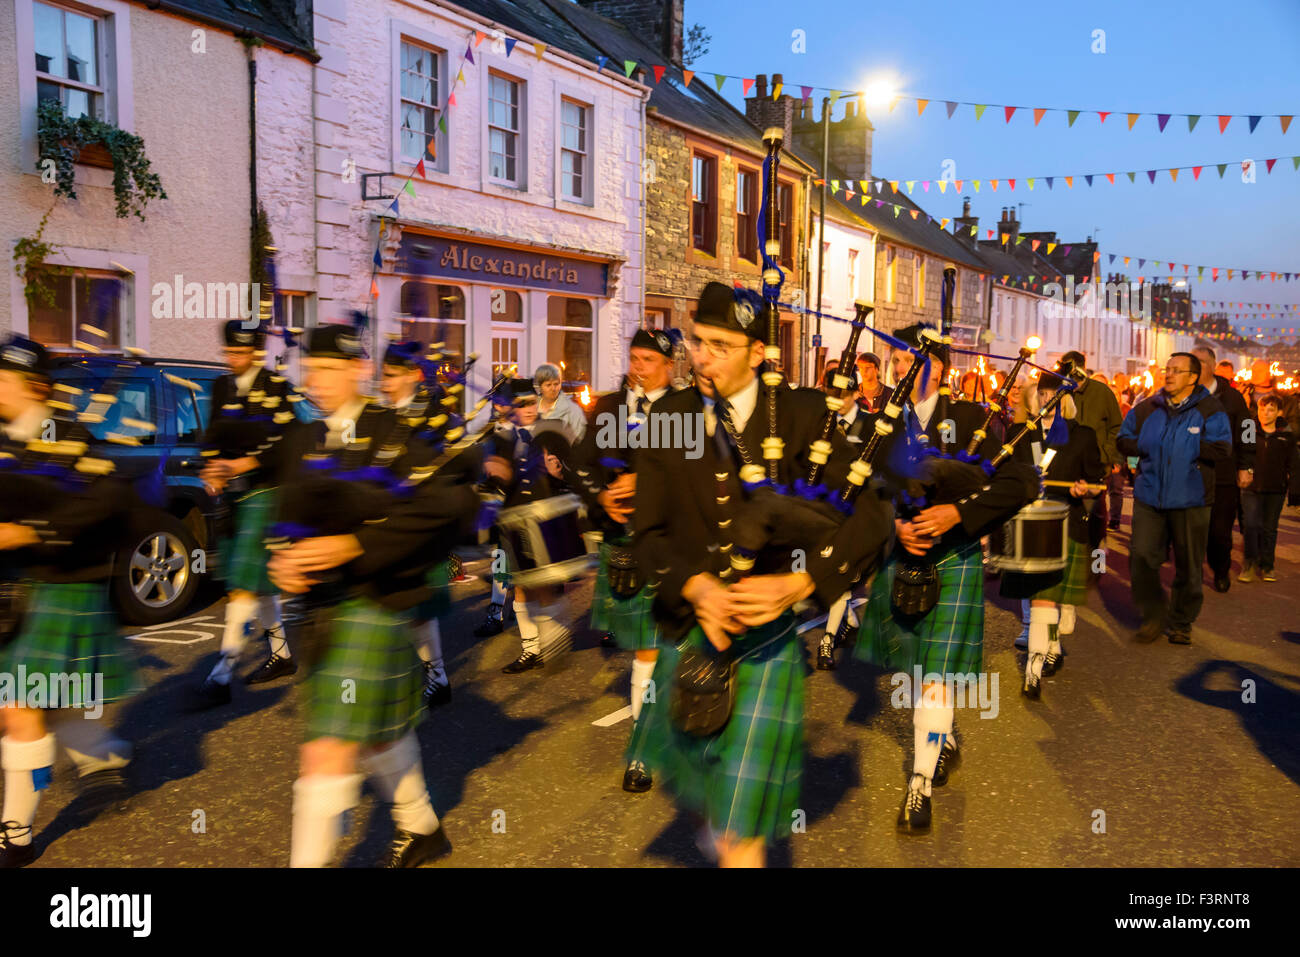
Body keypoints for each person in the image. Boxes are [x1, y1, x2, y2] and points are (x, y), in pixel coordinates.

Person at [631, 281, 893, 866]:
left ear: (757, 352)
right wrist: (695, 584)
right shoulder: (670, 416)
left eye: (721, 346)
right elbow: (646, 535)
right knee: (702, 801)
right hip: (687, 632)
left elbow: (872, 513)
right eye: (698, 341)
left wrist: (802, 583)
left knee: (739, 830)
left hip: (765, 644)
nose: (701, 357)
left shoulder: (802, 416)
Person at [269, 323, 476, 867]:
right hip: (322, 611)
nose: (317, 381)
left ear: (359, 370)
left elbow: (450, 509)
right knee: (377, 735)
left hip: (377, 602)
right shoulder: (304, 439)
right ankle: (424, 829)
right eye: (311, 370)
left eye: (331, 370)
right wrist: (283, 558)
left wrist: (354, 544)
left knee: (327, 750)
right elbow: (287, 518)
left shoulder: (398, 433)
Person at [854, 324, 1038, 833]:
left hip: (953, 555)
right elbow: (857, 487)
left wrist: (959, 513)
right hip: (900, 555)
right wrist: (890, 523)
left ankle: (919, 783)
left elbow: (1024, 479)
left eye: (910, 360)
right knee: (916, 669)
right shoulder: (884, 422)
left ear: (940, 367)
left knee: (935, 675)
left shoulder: (973, 419)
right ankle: (939, 733)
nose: (899, 369)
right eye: (895, 361)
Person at [0, 336, 140, 868]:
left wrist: (32, 531)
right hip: (21, 590)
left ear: (34, 386)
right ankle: (105, 754)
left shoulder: (65, 434)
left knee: (22, 706)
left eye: (4, 380)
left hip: (63, 586)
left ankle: (16, 837)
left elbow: (111, 500)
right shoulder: (8, 438)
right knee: (38, 707)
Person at [571, 327, 682, 792]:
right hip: (623, 541)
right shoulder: (611, 407)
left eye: (648, 360)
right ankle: (645, 746)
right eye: (634, 357)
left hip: (671, 540)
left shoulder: (686, 410)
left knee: (665, 647)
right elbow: (581, 464)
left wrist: (645, 483)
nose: (638, 367)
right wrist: (603, 498)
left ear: (669, 366)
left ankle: (655, 742)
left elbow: (694, 475)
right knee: (643, 645)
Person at [191, 320, 305, 709]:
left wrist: (240, 465)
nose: (234, 359)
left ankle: (223, 673)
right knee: (258, 581)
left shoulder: (276, 387)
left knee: (241, 583)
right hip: (236, 499)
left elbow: (288, 445)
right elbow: (212, 435)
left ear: (256, 352)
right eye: (230, 352)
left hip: (267, 493)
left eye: (240, 353)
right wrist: (211, 468)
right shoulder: (222, 387)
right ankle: (282, 654)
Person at [1000, 374, 1103, 699]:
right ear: (1034, 398)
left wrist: (1084, 486)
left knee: (1045, 598)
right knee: (1040, 598)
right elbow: (1006, 474)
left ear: (1065, 398)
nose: (1047, 399)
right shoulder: (1019, 434)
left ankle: (1036, 666)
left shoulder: (1082, 435)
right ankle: (1044, 655)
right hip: (1027, 522)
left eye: (1054, 393)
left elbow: (1096, 475)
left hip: (1064, 521)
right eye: (1042, 393)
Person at [1117, 352, 1232, 645]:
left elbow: (1222, 448)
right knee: (1141, 556)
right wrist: (1148, 445)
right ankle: (1153, 614)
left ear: (1193, 377)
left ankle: (1181, 621)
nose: (1168, 375)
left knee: (1189, 565)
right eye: (1167, 369)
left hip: (1191, 498)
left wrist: (1187, 446)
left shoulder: (1210, 408)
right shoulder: (1147, 407)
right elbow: (1123, 437)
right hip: (1149, 495)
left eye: (1176, 371)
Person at [379, 340, 455, 709]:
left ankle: (435, 677)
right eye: (382, 375)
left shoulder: (432, 414)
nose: (383, 383)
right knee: (401, 609)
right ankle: (432, 676)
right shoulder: (386, 415)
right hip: (392, 524)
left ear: (414, 375)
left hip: (420, 527)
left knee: (416, 610)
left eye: (391, 376)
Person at [486, 380, 572, 675]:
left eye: (531, 402)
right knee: (519, 584)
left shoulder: (552, 430)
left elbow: (575, 469)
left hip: (546, 516)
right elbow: (491, 482)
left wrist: (559, 471)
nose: (527, 409)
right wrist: (495, 475)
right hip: (513, 519)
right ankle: (530, 650)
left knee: (544, 583)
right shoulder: (500, 437)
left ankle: (553, 635)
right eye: (520, 404)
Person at [815, 363, 871, 670]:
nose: (838, 399)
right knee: (828, 575)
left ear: (855, 394)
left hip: (854, 512)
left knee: (841, 576)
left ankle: (827, 640)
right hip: (824, 509)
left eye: (844, 394)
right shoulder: (821, 422)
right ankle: (848, 621)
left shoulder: (869, 425)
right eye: (832, 392)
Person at [1191, 346, 1255, 592]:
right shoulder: (1185, 394)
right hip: (1191, 473)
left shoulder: (1232, 397)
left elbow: (1247, 429)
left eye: (1201, 362)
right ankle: (1192, 573)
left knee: (1219, 531)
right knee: (1192, 529)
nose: (1196, 367)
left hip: (1223, 475)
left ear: (1213, 366)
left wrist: (1247, 466)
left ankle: (1220, 568)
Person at [1058, 351, 1123, 548]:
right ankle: (1072, 568)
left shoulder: (1102, 393)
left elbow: (1117, 427)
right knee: (1068, 522)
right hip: (1067, 468)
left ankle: (1096, 568)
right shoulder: (1060, 391)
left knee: (1095, 520)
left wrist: (1108, 455)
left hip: (1096, 469)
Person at [1239, 394, 1300, 582]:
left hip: (1276, 488)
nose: (1265, 413)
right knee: (1250, 525)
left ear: (1279, 412)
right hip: (1251, 487)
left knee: (1269, 528)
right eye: (1262, 408)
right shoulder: (1249, 427)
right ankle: (1249, 562)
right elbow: (1243, 452)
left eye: (1271, 409)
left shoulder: (1286, 435)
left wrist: (1295, 492)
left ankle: (1267, 565)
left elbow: (1294, 464)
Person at [534, 363, 587, 444]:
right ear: (539, 387)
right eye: (548, 385)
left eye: (556, 384)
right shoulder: (531, 408)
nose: (553, 388)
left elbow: (579, 442)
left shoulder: (573, 411)